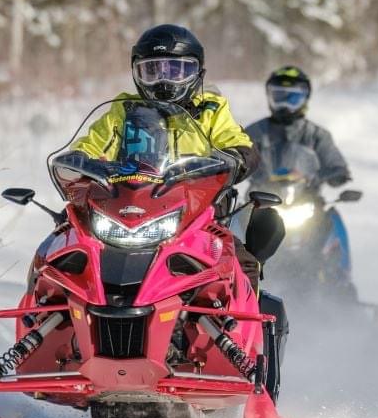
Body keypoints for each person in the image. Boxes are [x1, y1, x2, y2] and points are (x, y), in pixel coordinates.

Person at [72, 24, 280, 289]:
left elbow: (238, 142)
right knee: (67, 251)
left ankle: (242, 325)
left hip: (199, 215)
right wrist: (79, 160)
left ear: (197, 73)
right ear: (137, 74)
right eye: (152, 70)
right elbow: (91, 145)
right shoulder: (124, 111)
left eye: (176, 70)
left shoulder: (211, 111)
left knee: (240, 264)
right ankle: (47, 315)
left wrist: (236, 158)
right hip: (128, 212)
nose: (164, 81)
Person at [245, 65, 351, 190]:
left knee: (332, 210)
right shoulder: (254, 132)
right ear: (269, 96)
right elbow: (235, 157)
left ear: (305, 98)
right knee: (234, 208)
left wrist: (337, 172)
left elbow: (333, 159)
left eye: (292, 99)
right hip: (259, 198)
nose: (285, 105)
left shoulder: (317, 134)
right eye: (279, 97)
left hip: (307, 197)